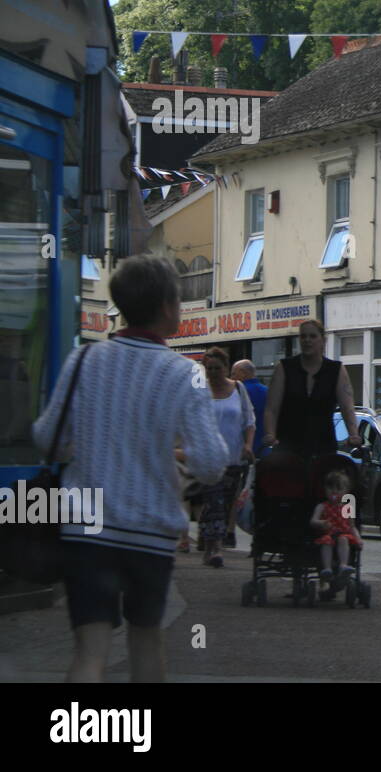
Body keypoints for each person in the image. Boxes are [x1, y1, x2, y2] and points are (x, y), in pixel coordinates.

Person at [32, 255, 226, 682]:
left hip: (86, 530)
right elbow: (212, 463)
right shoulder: (185, 374)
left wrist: (88, 446)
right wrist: (176, 459)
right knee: (146, 641)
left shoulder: (84, 360)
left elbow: (47, 437)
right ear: (166, 307)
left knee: (89, 651)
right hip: (149, 532)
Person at [263, 320, 362, 488]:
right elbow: (271, 409)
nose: (307, 340)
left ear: (323, 340)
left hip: (323, 447)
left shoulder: (336, 370)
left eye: (312, 336)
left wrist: (353, 434)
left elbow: (347, 407)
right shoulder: (284, 368)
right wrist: (270, 434)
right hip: (288, 448)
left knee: (322, 493)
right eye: (303, 336)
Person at [196, 346, 254, 567]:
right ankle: (216, 547)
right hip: (208, 457)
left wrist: (248, 445)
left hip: (233, 456)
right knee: (214, 501)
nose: (213, 373)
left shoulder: (238, 389)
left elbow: (249, 421)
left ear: (226, 368)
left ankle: (209, 542)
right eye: (209, 368)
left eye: (217, 368)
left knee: (226, 503)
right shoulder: (200, 391)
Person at [229, 359, 268, 544]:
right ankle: (258, 531)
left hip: (242, 451)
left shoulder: (237, 392)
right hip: (264, 452)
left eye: (233, 374)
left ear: (243, 374)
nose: (231, 378)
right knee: (259, 494)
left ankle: (229, 531)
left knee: (235, 491)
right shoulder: (267, 392)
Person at [310, 469, 361, 591]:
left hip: (343, 534)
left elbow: (352, 526)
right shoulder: (322, 506)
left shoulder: (346, 508)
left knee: (343, 539)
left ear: (346, 492)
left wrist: (358, 539)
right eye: (330, 488)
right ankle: (327, 568)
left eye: (338, 489)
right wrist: (321, 523)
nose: (334, 491)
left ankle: (343, 565)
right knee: (326, 542)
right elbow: (313, 521)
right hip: (329, 533)